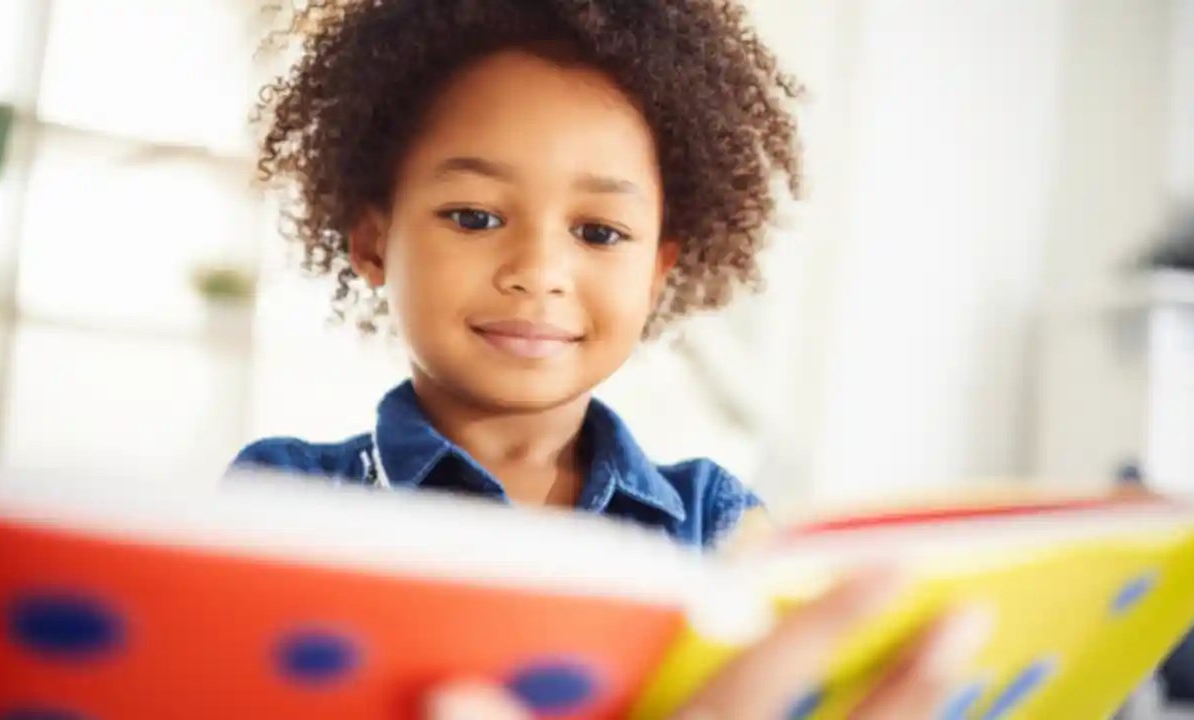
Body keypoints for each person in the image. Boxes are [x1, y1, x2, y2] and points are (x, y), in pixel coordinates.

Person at [231, 0, 986, 716]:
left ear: (658, 270)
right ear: (372, 242)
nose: (538, 269)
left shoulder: (716, 526)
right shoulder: (284, 499)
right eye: (473, 216)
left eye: (598, 233)